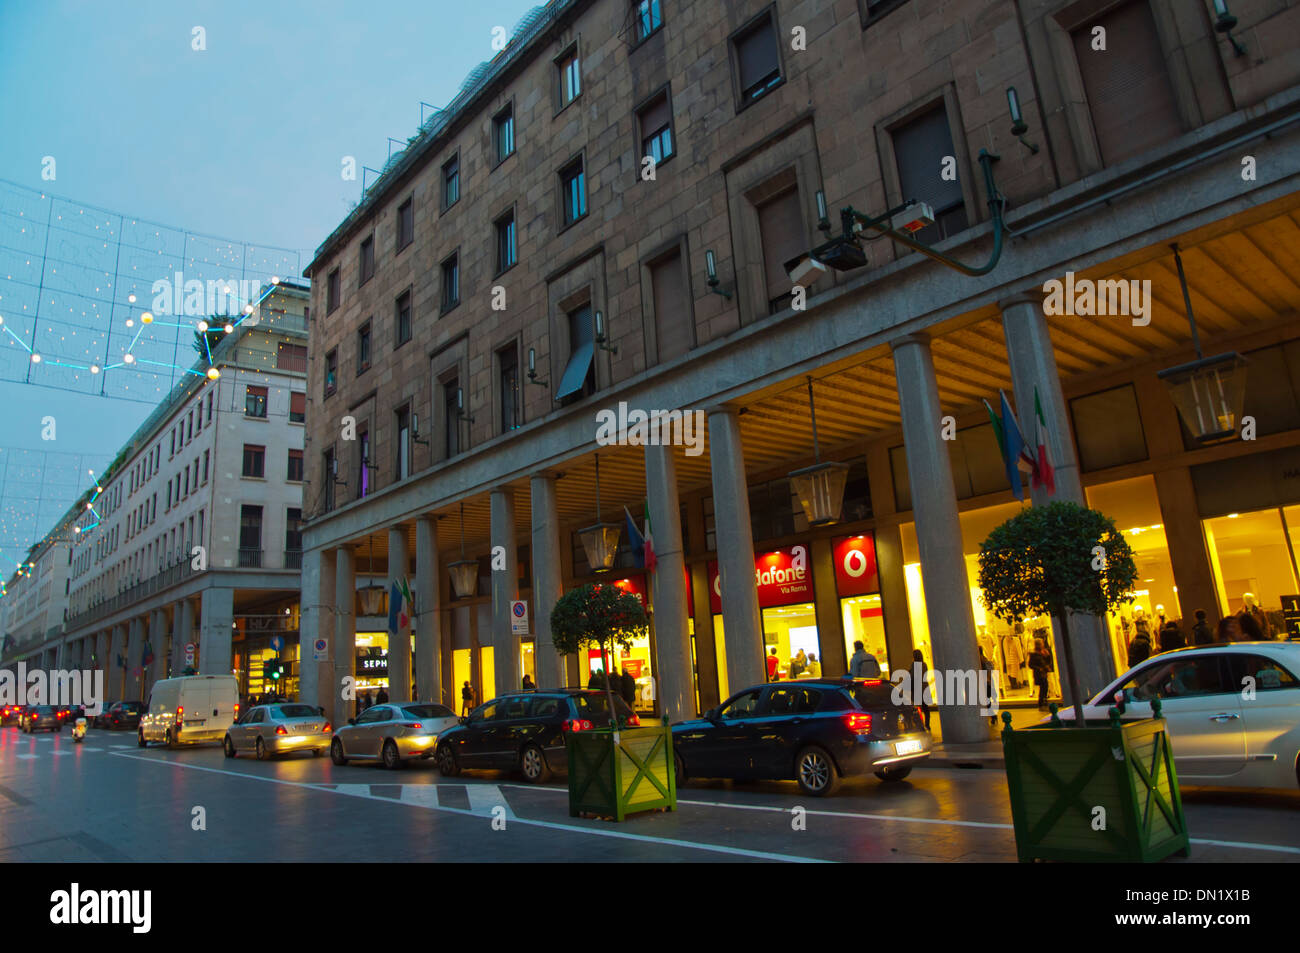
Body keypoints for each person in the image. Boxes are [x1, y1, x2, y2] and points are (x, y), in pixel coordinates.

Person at [1028, 638, 1051, 711]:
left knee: (1045, 687)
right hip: (1039, 674)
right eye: (1041, 643)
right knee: (1043, 688)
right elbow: (1030, 665)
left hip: (1043, 673)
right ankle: (1041, 703)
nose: (1043, 645)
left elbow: (1048, 662)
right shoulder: (1034, 654)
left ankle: (1044, 702)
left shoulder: (1043, 652)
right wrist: (1039, 668)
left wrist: (1047, 656)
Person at [911, 649, 931, 730]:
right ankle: (927, 724)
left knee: (917, 709)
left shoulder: (914, 665)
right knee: (926, 709)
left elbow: (912, 677)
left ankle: (920, 725)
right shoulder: (924, 664)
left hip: (917, 689)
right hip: (925, 687)